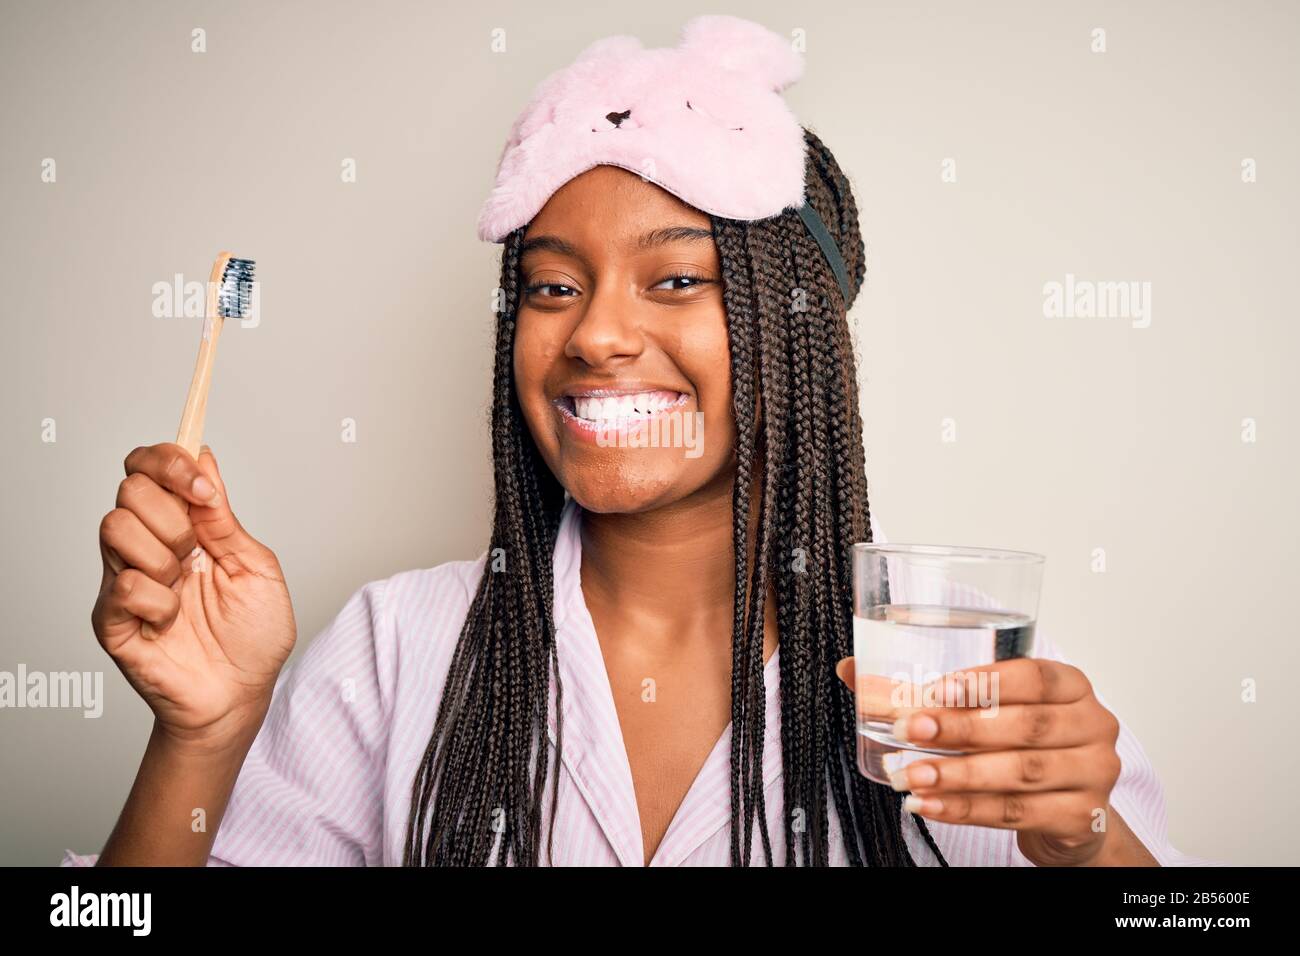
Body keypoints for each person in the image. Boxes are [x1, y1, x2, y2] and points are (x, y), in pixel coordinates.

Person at [65, 15, 1204, 867]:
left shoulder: (962, 681)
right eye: (552, 286)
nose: (596, 334)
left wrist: (1089, 845)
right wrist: (203, 739)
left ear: (795, 327)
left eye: (676, 280)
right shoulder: (390, 652)